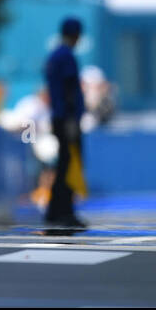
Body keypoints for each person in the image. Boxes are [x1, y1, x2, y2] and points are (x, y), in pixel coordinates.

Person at [44, 17, 87, 228]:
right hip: (67, 118)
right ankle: (66, 212)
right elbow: (69, 90)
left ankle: (54, 210)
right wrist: (72, 119)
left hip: (58, 117)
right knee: (70, 165)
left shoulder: (54, 56)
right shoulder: (66, 57)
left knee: (62, 164)